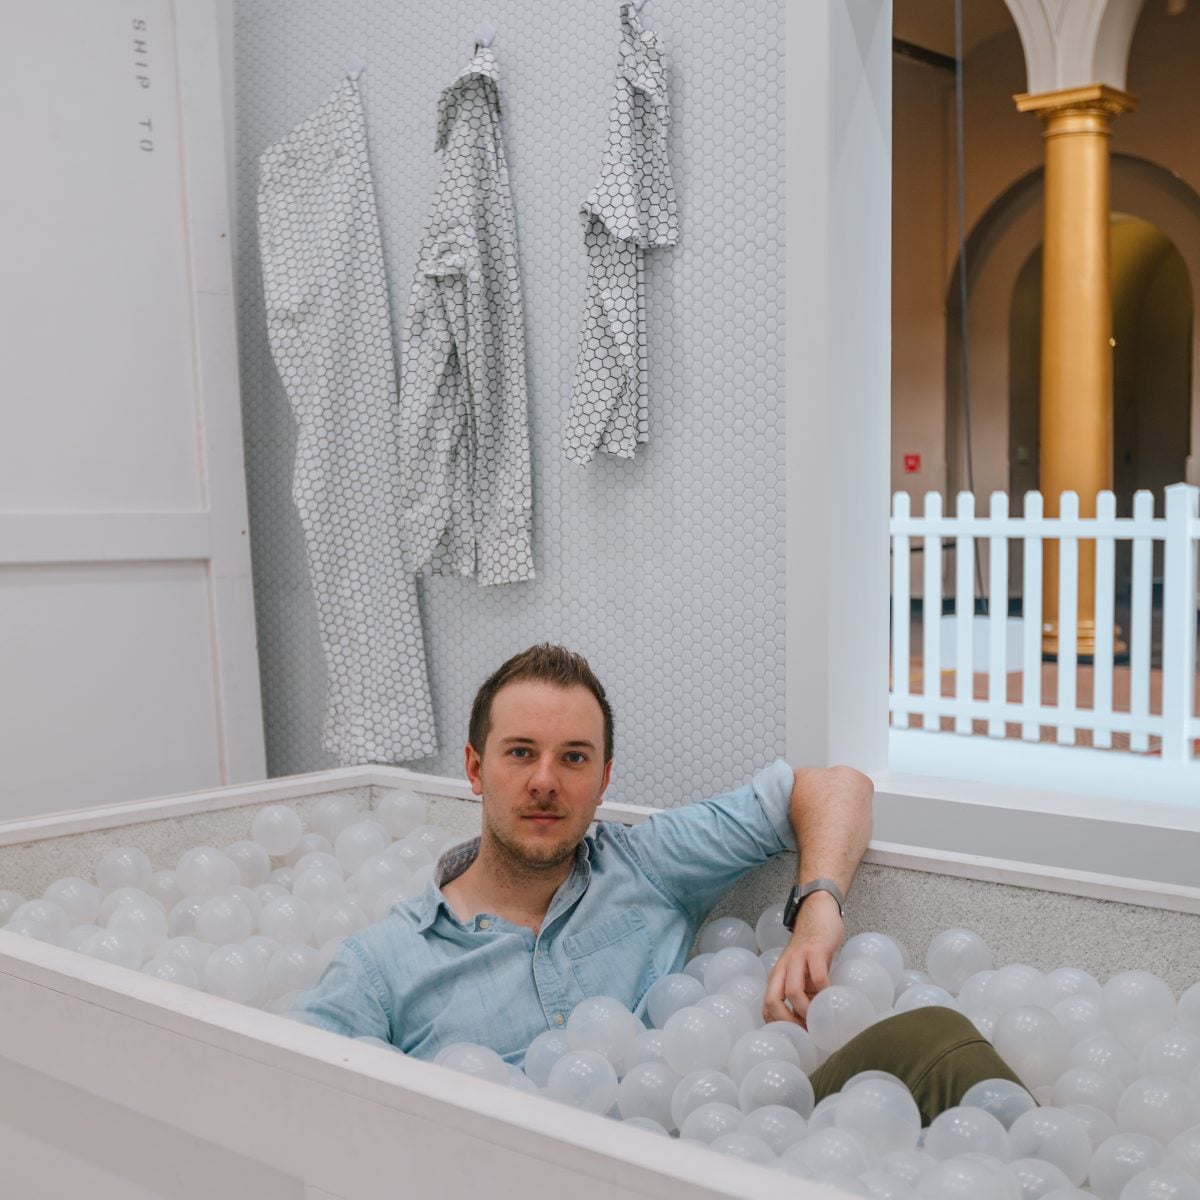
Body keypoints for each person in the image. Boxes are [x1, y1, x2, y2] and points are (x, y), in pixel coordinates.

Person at [293, 644, 1024, 1122]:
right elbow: (281, 1104)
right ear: (476, 768)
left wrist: (818, 910)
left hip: (714, 1144)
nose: (546, 781)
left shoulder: (645, 863)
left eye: (574, 758)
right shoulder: (381, 968)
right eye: (521, 753)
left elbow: (836, 786)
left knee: (940, 1037)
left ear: (604, 780)